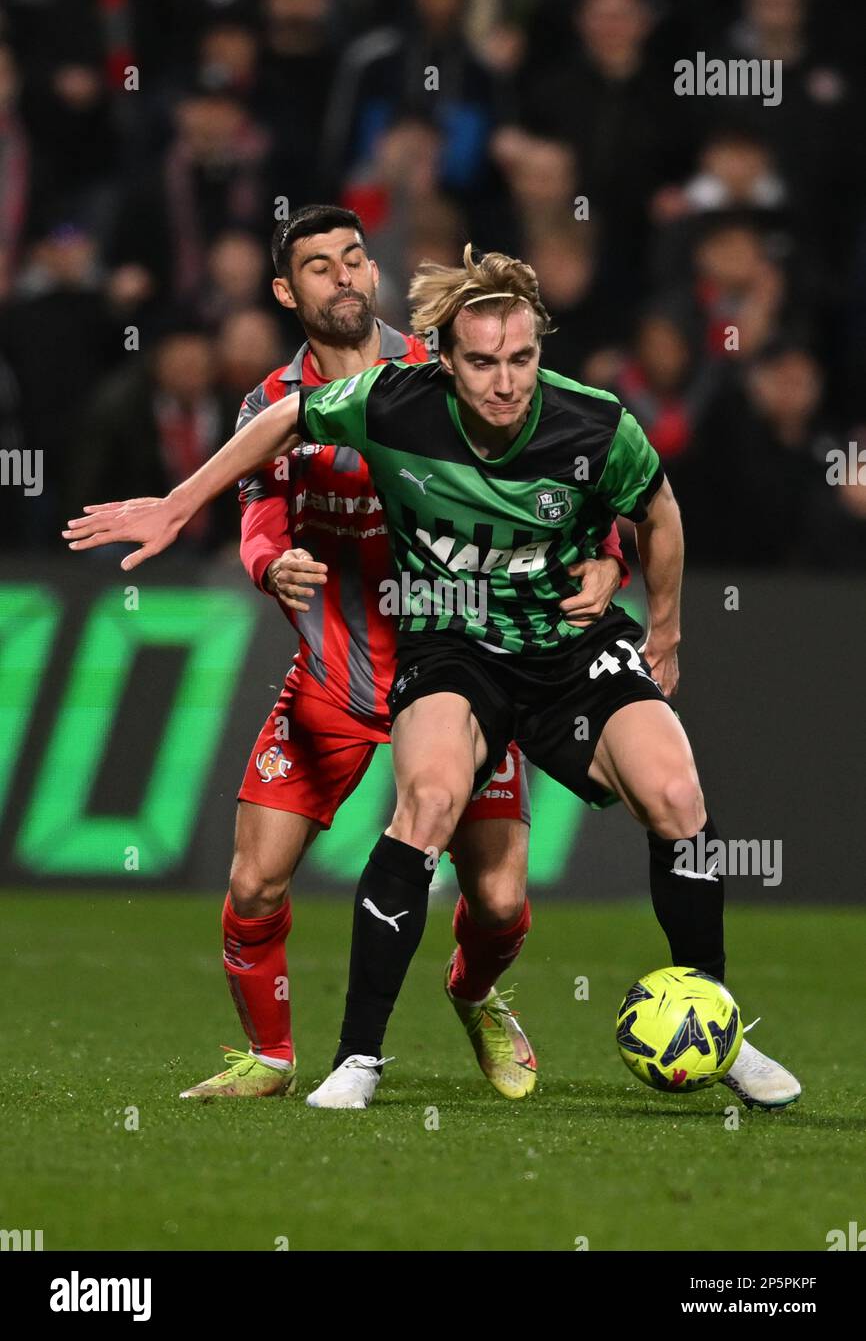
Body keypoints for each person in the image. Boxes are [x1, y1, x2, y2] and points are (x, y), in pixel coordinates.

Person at [65, 242, 801, 1112]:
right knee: (427, 804)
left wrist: (665, 630)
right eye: (482, 362)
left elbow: (658, 510)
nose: (504, 382)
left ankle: (718, 1022)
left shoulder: (596, 422)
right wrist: (179, 503)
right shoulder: (394, 401)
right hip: (452, 645)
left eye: (521, 359)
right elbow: (283, 420)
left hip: (567, 649)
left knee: (676, 798)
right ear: (443, 360)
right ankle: (358, 1058)